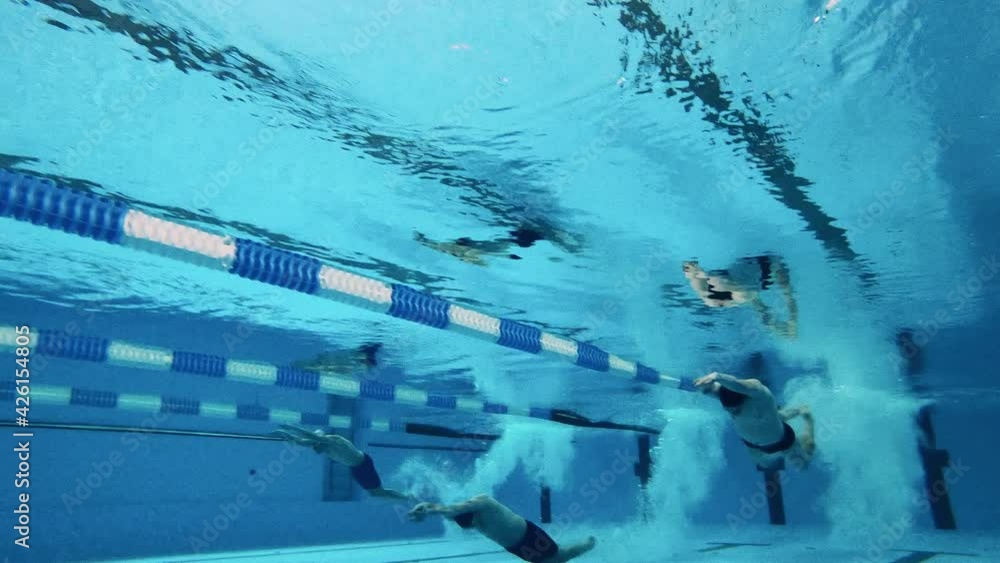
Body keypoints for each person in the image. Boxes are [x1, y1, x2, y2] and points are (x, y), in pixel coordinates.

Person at [408, 494, 596, 562]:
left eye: (473, 522)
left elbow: (449, 508)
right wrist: (427, 510)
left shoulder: (483, 502)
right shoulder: (461, 517)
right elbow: (443, 510)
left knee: (560, 557)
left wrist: (425, 506)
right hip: (516, 548)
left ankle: (589, 544)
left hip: (528, 535)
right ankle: (584, 545)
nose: (475, 526)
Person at [693, 372, 816, 470]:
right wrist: (701, 384)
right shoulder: (723, 395)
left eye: (736, 410)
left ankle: (808, 418)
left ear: (743, 400)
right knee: (762, 463)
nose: (734, 413)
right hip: (752, 444)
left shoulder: (759, 394)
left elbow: (739, 384)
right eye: (730, 411)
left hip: (782, 440)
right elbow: (706, 388)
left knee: (804, 465)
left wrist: (717, 376)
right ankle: (789, 413)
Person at [271, 424, 411, 500]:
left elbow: (309, 436)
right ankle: (405, 496)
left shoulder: (335, 440)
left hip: (363, 464)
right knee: (375, 493)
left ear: (320, 439)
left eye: (315, 445)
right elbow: (300, 441)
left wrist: (290, 427)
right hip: (355, 468)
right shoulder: (322, 445)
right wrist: (283, 435)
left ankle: (406, 497)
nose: (315, 450)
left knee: (379, 492)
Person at [682, 256, 798, 338]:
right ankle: (781, 324)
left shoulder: (711, 297)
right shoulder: (740, 292)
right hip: (759, 272)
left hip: (750, 278)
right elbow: (788, 295)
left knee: (751, 298)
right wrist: (792, 320)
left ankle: (780, 324)